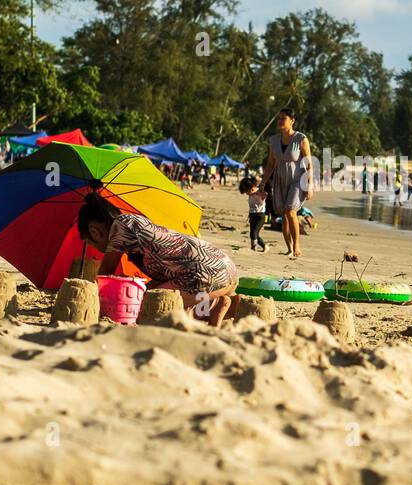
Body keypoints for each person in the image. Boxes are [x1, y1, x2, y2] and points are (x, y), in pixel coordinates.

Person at [76, 194, 237, 327]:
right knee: (145, 295)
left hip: (207, 273)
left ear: (94, 232)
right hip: (225, 268)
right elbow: (165, 275)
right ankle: (216, 305)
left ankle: (211, 306)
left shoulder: (120, 226)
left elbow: (106, 273)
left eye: (89, 242)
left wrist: (92, 303)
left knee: (151, 307)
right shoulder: (135, 223)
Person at [261, 109, 314, 259]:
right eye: (278, 118)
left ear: (292, 120)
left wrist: (310, 185)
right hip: (280, 180)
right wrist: (263, 182)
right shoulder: (273, 140)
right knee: (284, 215)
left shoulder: (301, 139)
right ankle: (289, 248)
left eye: (283, 118)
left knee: (291, 211)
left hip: (298, 180)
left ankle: (297, 245)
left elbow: (309, 164)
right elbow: (271, 163)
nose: (280, 121)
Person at [239, 176, 268, 253]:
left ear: (251, 189)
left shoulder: (259, 192)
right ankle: (264, 246)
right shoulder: (250, 195)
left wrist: (263, 194)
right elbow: (251, 207)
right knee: (253, 234)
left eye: (247, 192)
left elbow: (265, 195)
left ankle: (253, 248)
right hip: (252, 215)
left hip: (260, 216)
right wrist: (249, 216)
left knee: (254, 232)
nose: (247, 194)